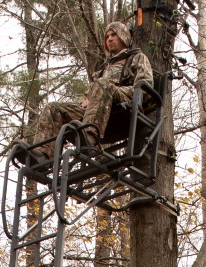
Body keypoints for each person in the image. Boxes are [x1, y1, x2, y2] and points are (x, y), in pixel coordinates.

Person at [14, 21, 154, 164]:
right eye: (107, 37)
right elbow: (87, 98)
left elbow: (144, 88)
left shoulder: (137, 58)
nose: (109, 39)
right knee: (54, 108)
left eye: (114, 35)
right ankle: (42, 155)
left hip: (124, 111)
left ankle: (89, 136)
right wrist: (87, 99)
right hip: (97, 115)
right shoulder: (103, 70)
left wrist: (111, 89)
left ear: (123, 37)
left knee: (103, 84)